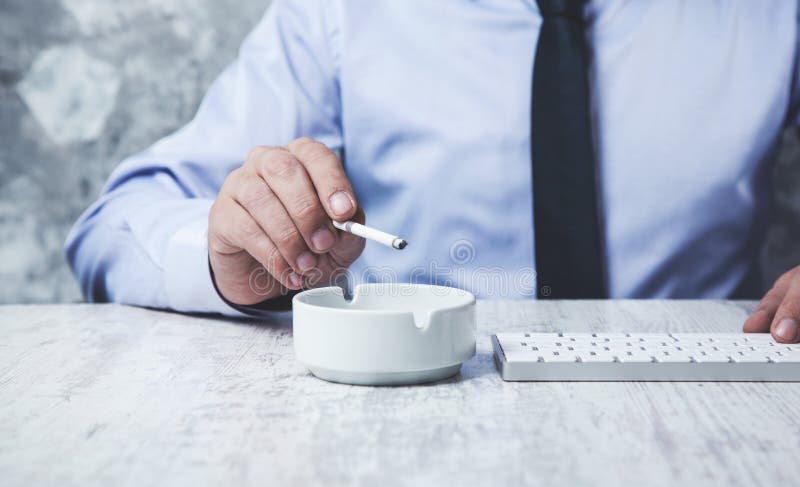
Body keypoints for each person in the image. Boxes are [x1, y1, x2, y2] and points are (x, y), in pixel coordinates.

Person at [65, 0, 800, 342]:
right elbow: (114, 227)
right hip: (403, 429)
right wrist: (228, 263)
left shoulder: (775, 15)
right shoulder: (338, 15)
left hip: (711, 408)